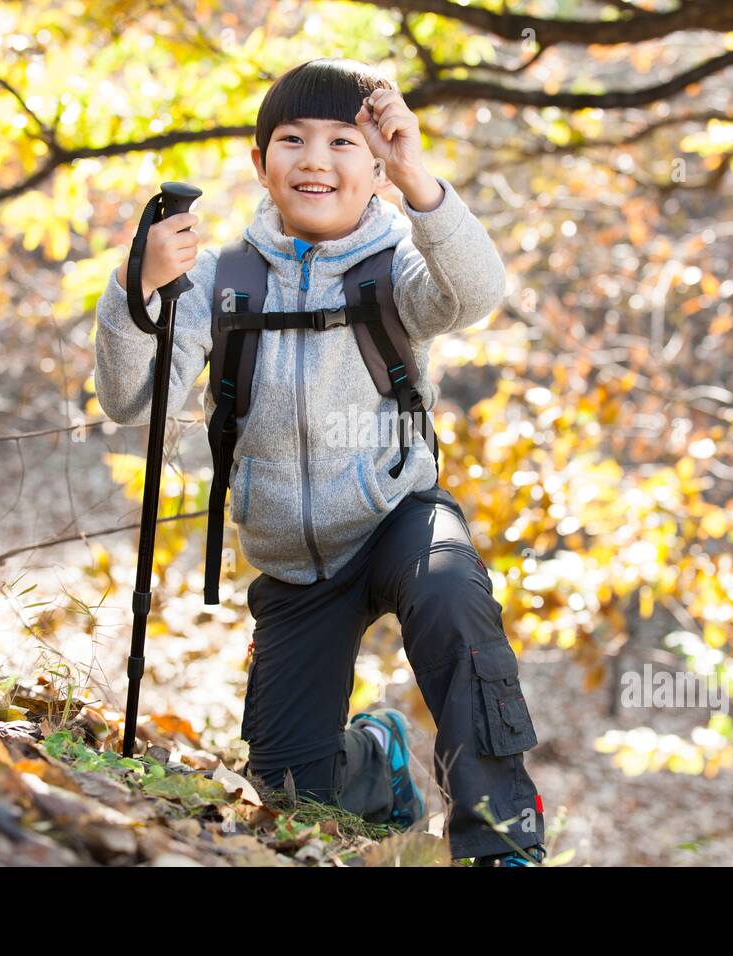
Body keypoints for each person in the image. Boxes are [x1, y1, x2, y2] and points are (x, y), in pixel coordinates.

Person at [94, 57, 545, 866]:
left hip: (398, 518)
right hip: (296, 566)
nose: (315, 159)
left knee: (451, 589)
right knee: (290, 792)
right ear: (259, 162)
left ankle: (502, 840)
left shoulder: (399, 267)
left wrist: (422, 182)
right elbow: (134, 401)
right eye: (293, 140)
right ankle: (380, 759)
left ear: (376, 166)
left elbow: (477, 293)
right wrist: (138, 289)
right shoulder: (221, 281)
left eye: (346, 142)